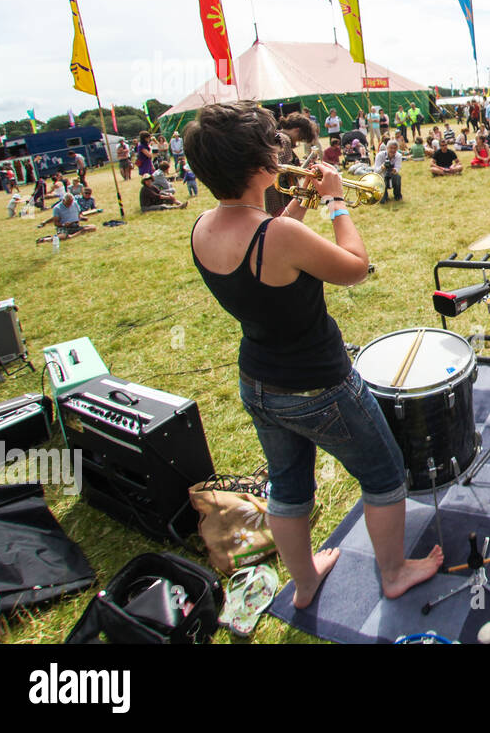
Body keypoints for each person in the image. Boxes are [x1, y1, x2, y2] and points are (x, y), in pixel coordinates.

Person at [184, 101, 442, 608]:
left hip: (258, 381)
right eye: (274, 151)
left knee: (288, 487)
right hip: (319, 383)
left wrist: (300, 201)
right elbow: (355, 267)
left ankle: (303, 584)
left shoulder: (204, 227)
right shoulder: (277, 235)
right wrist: (338, 202)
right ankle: (393, 573)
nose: (283, 157)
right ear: (260, 166)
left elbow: (270, 246)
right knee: (385, 474)